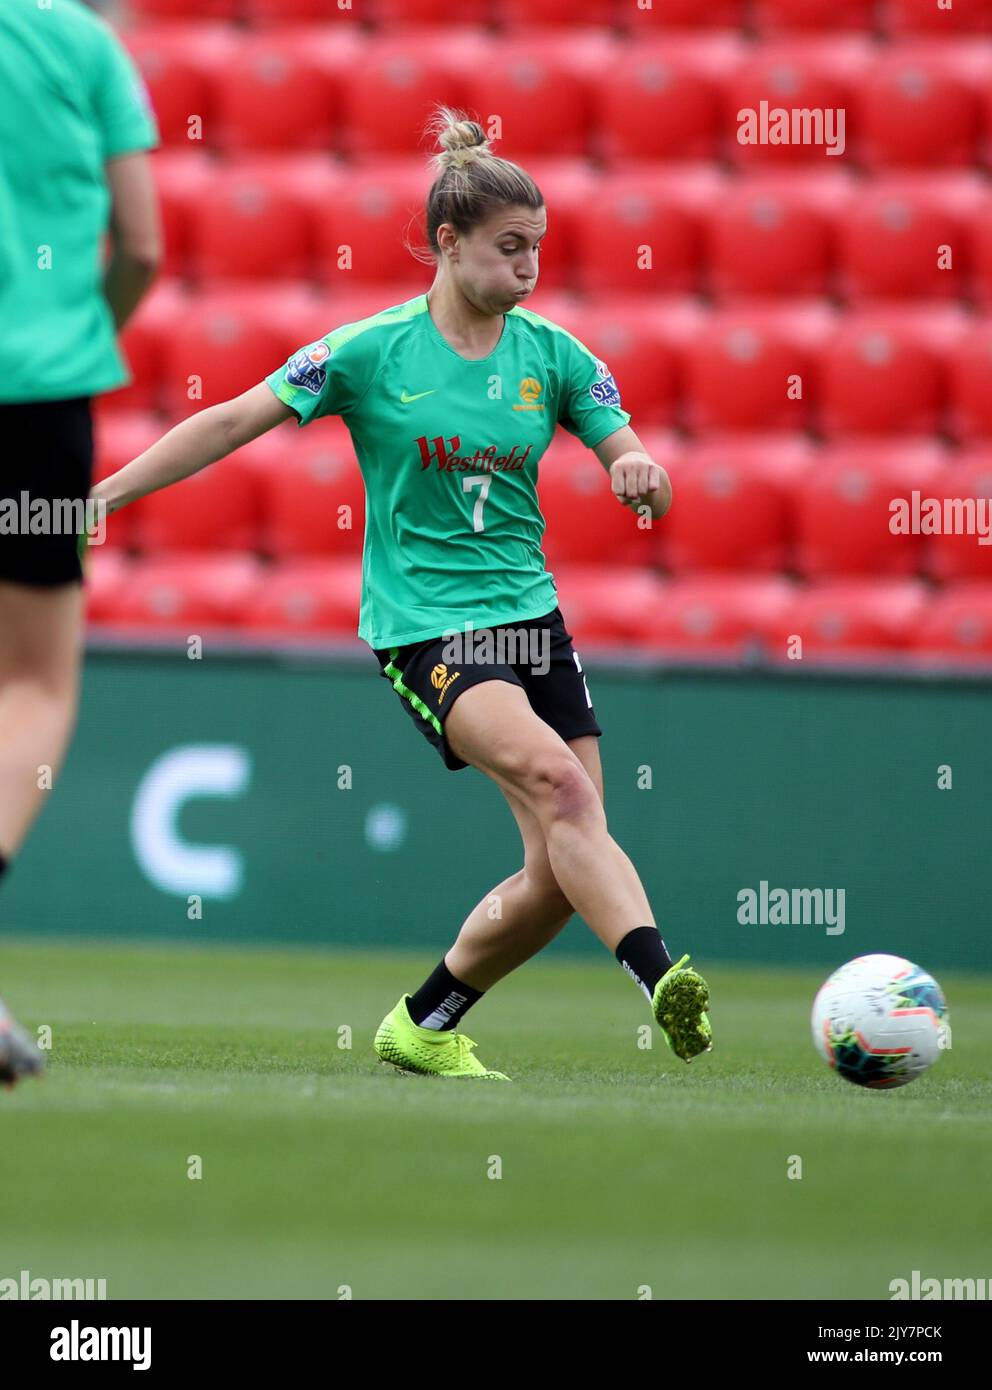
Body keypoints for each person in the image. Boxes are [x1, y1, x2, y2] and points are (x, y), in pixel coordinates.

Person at [90, 104, 713, 1080]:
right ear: (448, 242)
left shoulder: (553, 356)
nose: (528, 268)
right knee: (563, 787)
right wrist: (105, 496)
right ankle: (658, 975)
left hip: (533, 622)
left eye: (537, 249)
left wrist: (640, 473)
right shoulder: (369, 352)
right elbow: (231, 421)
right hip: (427, 626)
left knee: (561, 867)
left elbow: (638, 463)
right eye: (509, 248)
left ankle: (422, 1023)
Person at [0, 0, 161, 1086]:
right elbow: (143, 247)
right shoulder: (84, 44)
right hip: (39, 409)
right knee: (32, 683)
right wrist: (74, 334)